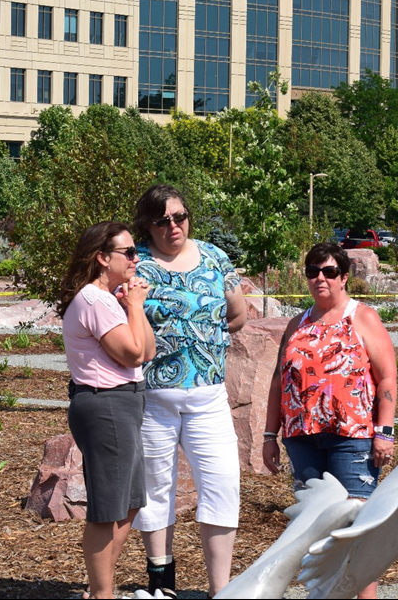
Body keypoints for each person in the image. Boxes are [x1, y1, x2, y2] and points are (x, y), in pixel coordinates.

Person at [262, 241, 398, 600]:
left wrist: (384, 432)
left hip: (351, 436)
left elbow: (386, 377)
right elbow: (279, 379)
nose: (319, 278)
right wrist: (268, 435)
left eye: (329, 272)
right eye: (312, 272)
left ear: (344, 277)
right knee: (316, 528)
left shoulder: (362, 317)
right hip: (302, 438)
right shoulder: (297, 323)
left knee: (358, 527)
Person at [131, 184, 247, 598]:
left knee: (221, 483)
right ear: (148, 225)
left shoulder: (215, 257)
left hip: (208, 397)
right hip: (151, 399)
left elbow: (238, 314)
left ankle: (222, 589)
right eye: (162, 220)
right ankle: (161, 583)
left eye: (180, 217)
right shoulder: (135, 264)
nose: (173, 226)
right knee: (155, 488)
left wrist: (203, 343)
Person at [59, 221, 156, 600]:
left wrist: (136, 307)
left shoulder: (110, 299)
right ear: (103, 257)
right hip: (105, 404)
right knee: (107, 508)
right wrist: (132, 305)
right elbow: (132, 352)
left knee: (130, 503)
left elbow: (146, 351)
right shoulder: (94, 299)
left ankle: (98, 588)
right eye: (128, 252)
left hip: (125, 401)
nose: (136, 258)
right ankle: (102, 594)